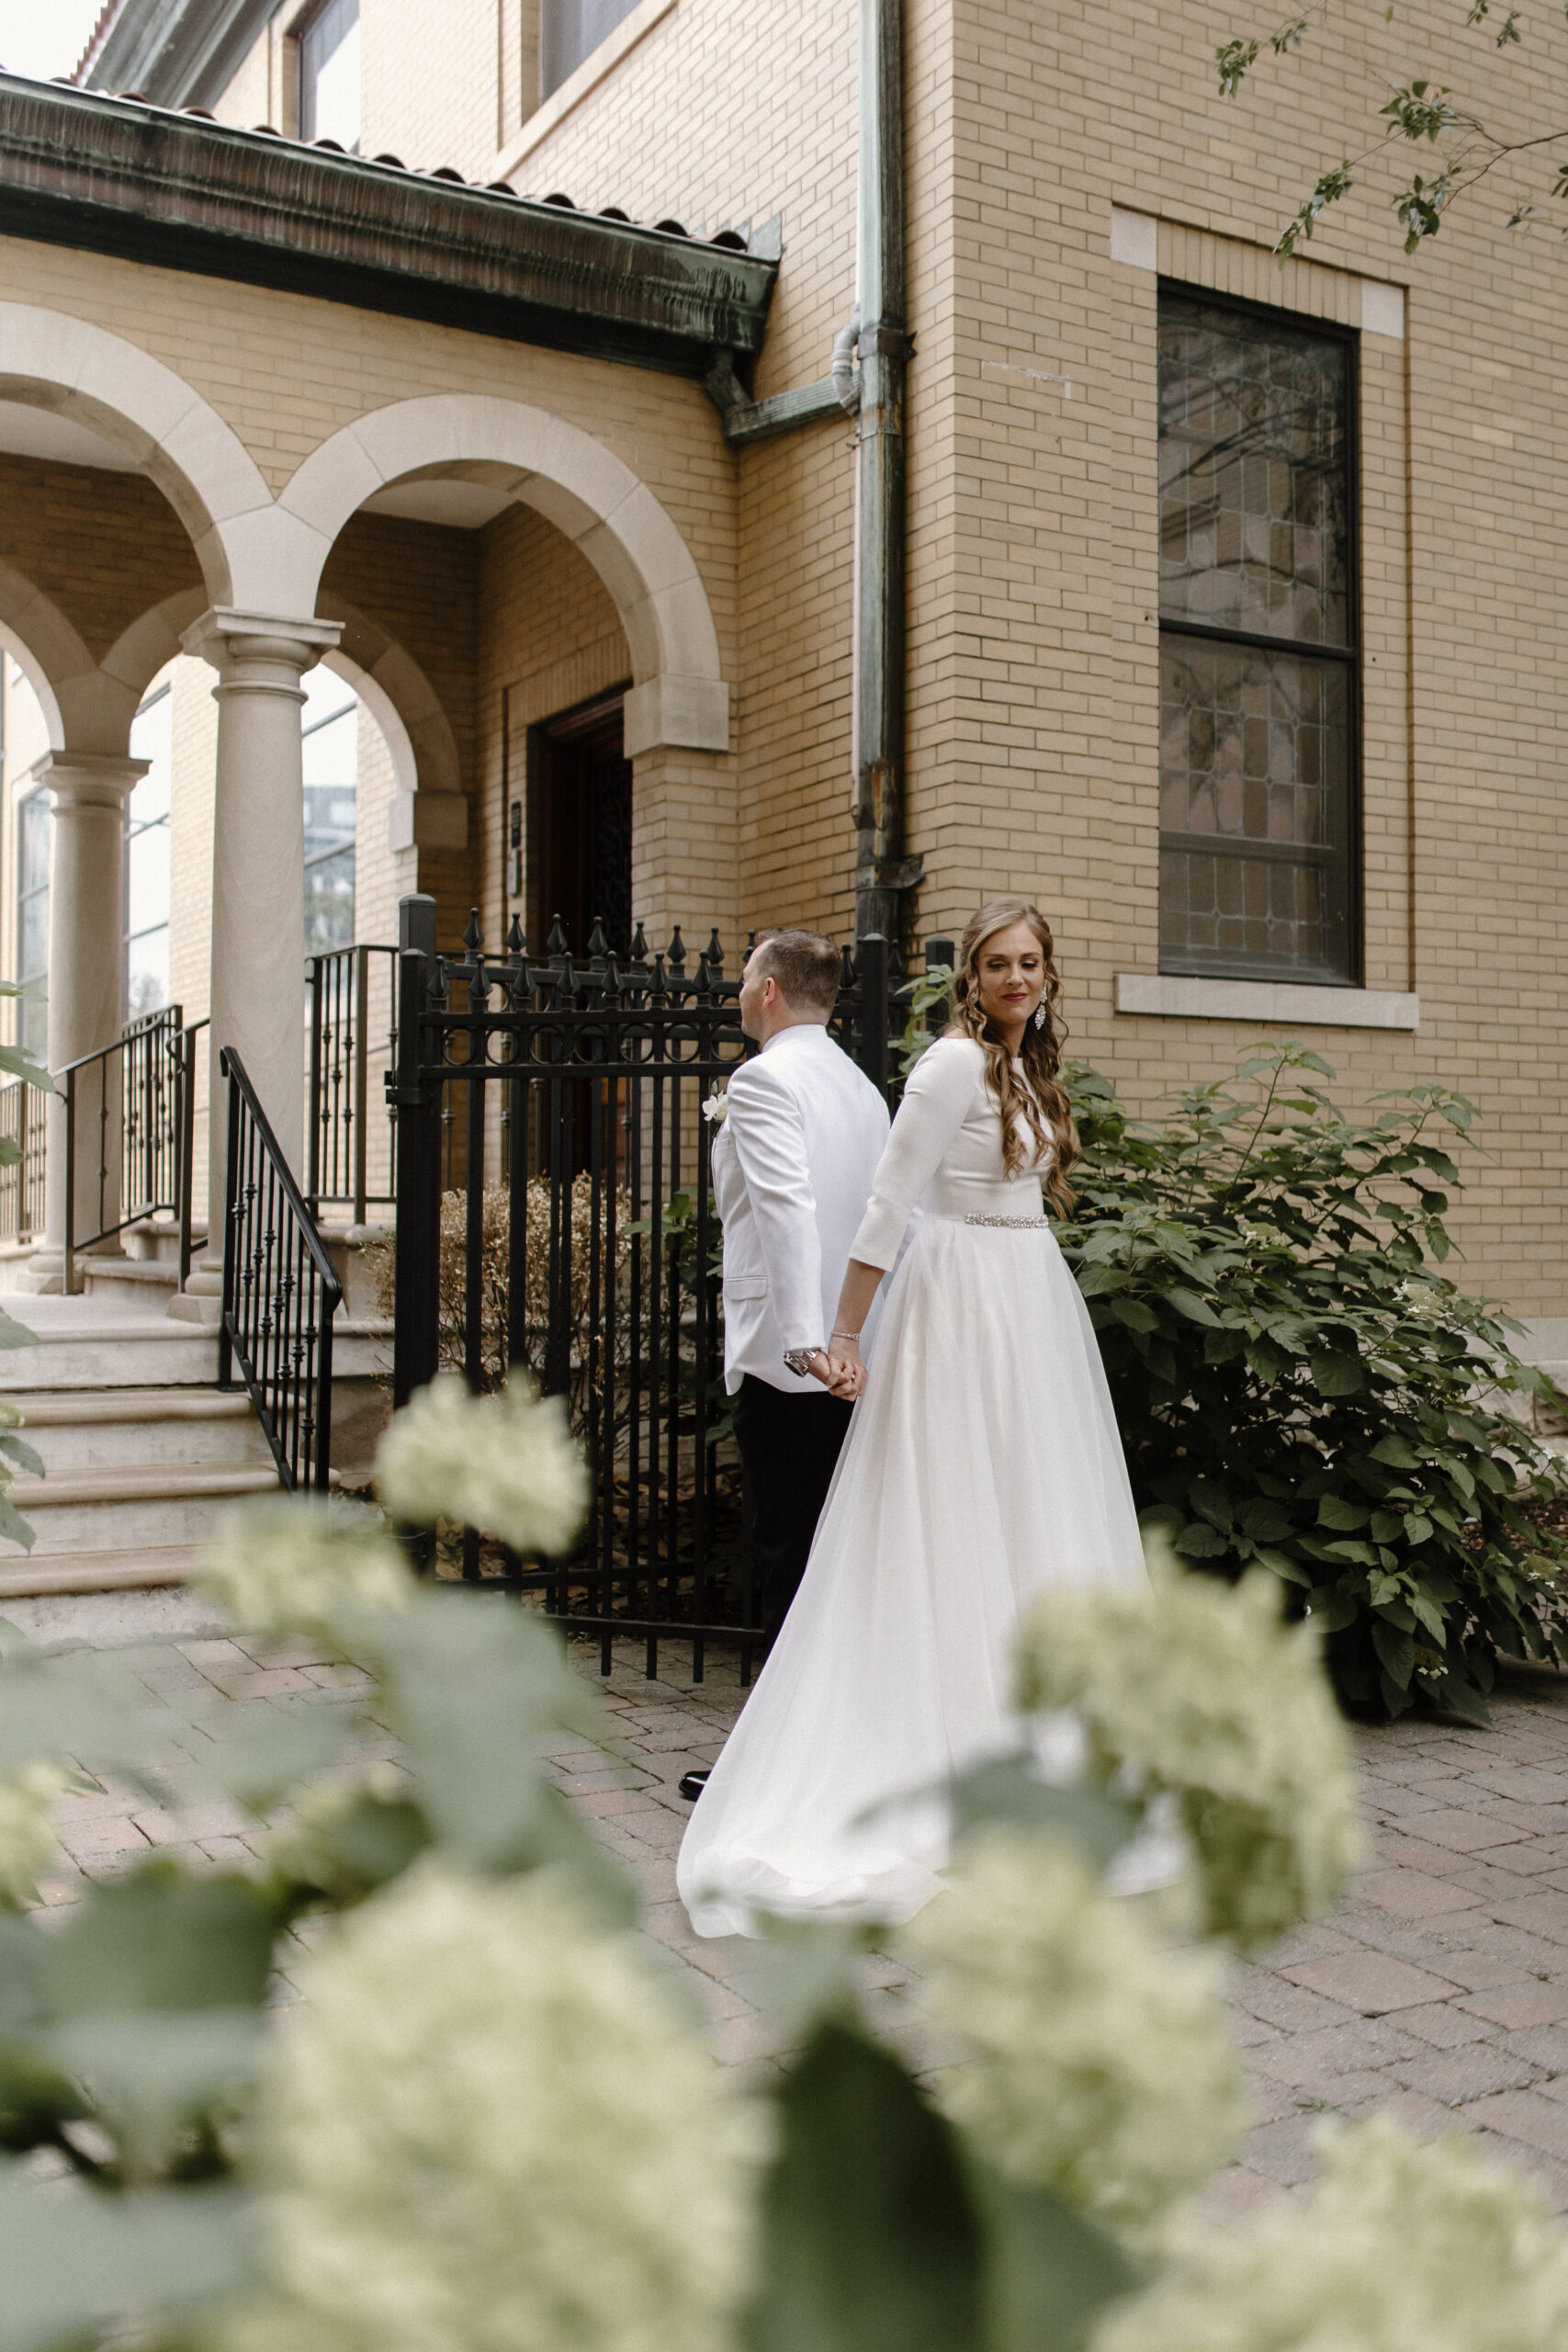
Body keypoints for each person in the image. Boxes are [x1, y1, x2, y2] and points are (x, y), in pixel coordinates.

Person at [677, 897, 1147, 1935]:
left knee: (1030, 1514)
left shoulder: (1027, 1070)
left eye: (1030, 963)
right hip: (955, 1302)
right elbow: (886, 1207)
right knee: (947, 1516)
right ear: (970, 977)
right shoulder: (948, 1065)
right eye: (997, 963)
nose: (1015, 978)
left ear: (1047, 977)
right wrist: (842, 1334)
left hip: (1027, 1303)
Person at [677, 927, 890, 1800]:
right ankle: (826, 1756)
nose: (738, 992)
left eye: (743, 979)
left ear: (768, 990)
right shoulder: (862, 1089)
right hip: (859, 1355)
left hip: (792, 1362)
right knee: (828, 1560)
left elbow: (785, 1210)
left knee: (786, 1556)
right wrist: (856, 1340)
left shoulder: (764, 1080)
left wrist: (807, 1345)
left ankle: (770, 1780)